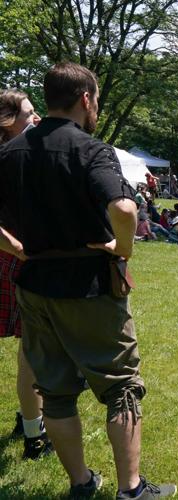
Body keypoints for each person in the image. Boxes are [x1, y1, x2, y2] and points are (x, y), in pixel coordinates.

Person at [0, 63, 175, 498]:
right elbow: (125, 210)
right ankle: (131, 490)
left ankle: (81, 483)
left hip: (34, 284)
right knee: (120, 388)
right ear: (85, 99)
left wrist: (18, 249)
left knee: (55, 391)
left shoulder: (9, 153)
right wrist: (124, 248)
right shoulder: (92, 150)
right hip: (90, 287)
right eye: (95, 99)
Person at [0, 88, 52, 460]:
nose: (35, 118)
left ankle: (28, 418)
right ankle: (35, 436)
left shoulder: (22, 157)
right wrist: (19, 249)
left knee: (31, 350)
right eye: (28, 113)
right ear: (7, 121)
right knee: (31, 351)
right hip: (11, 262)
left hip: (17, 260)